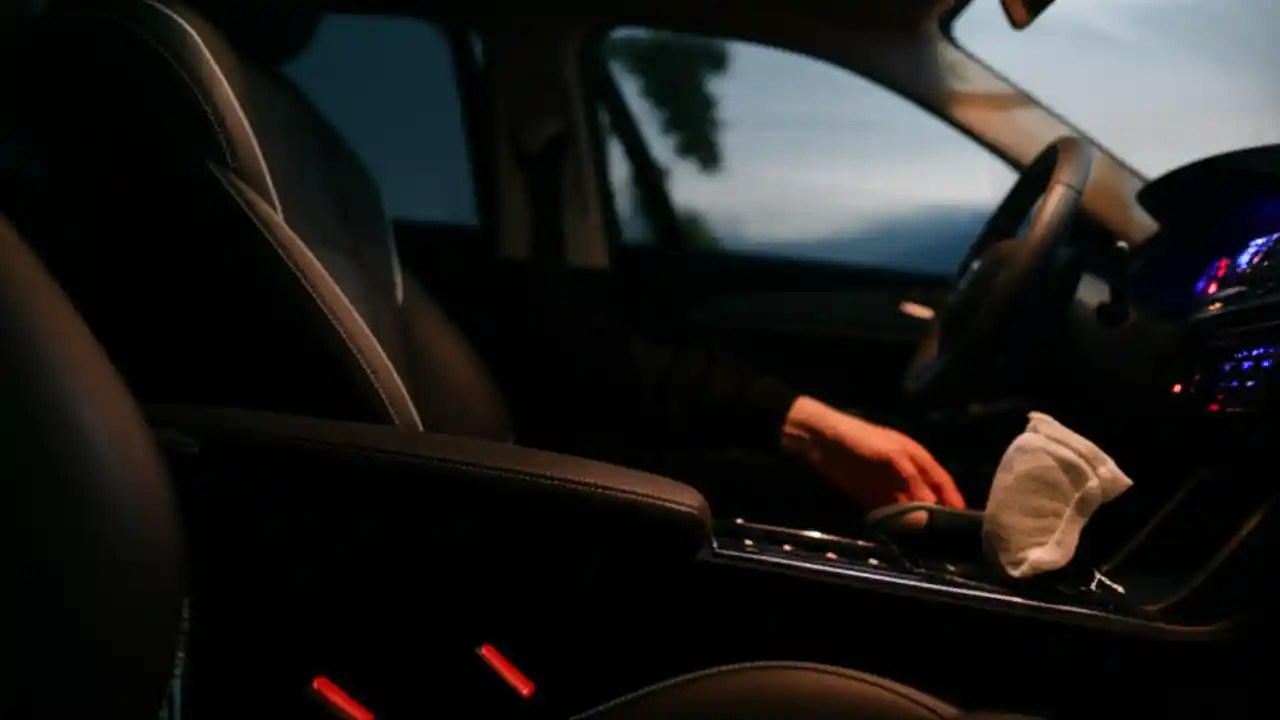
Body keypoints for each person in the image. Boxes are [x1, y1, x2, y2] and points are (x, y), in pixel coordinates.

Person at [470, 273, 967, 519]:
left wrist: (808, 426)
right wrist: (810, 428)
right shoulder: (480, 301)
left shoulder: (483, 294)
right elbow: (592, 359)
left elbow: (602, 356)